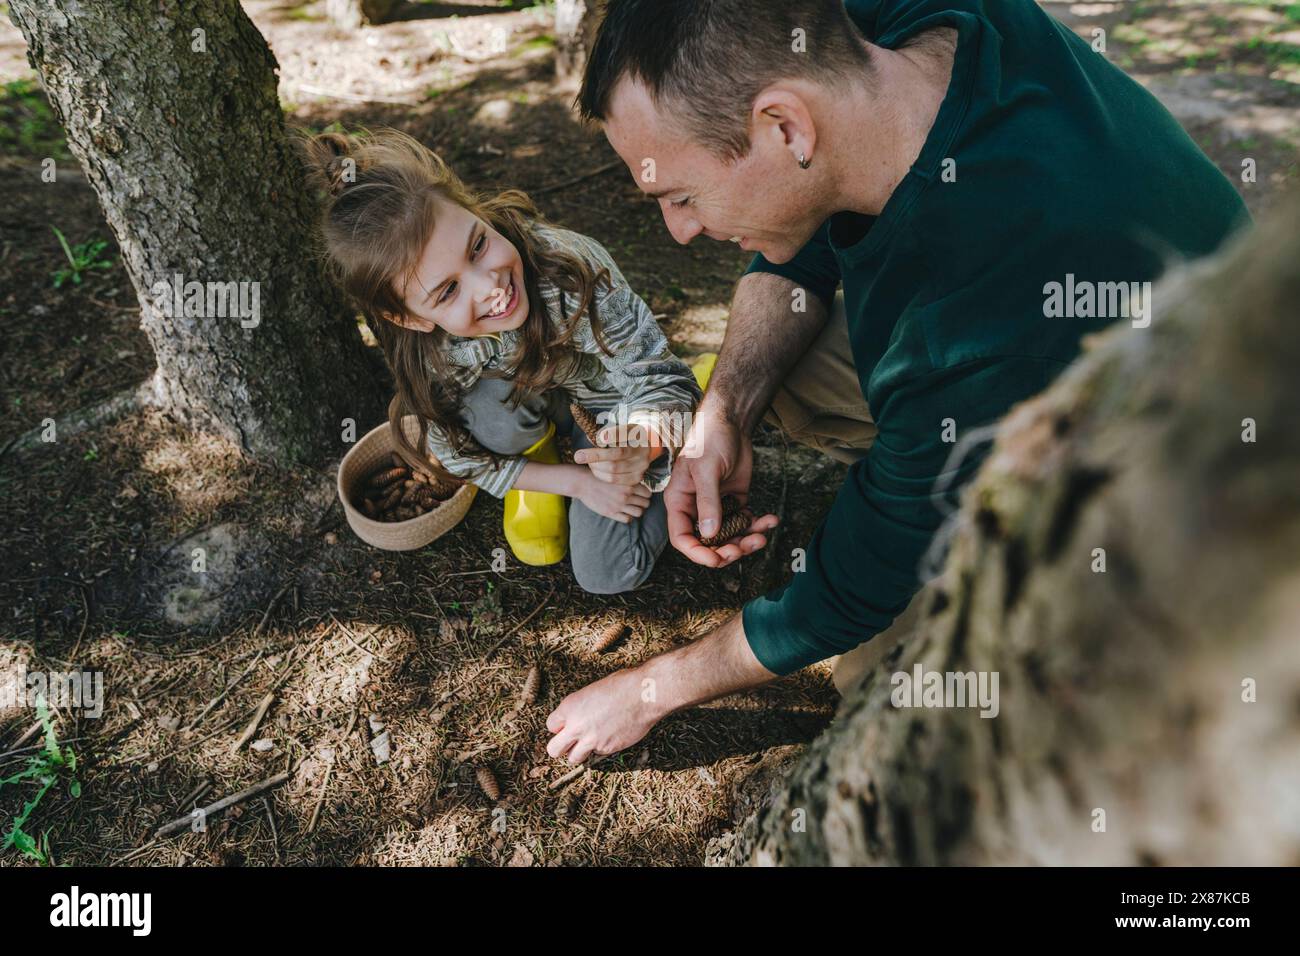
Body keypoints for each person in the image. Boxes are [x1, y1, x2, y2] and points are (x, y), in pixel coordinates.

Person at [544, 0, 1250, 764]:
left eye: (681, 197)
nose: (678, 230)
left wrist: (649, 689)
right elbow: (802, 238)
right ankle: (934, 489)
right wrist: (724, 414)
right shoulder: (860, 42)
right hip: (1086, 358)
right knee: (778, 363)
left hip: (1195, 478)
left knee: (880, 685)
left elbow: (844, 593)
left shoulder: (978, 320)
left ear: (785, 127)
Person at [301, 128, 702, 593]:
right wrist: (579, 484)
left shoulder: (569, 271)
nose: (490, 286)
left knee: (605, 573)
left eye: (478, 246)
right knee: (484, 413)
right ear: (408, 319)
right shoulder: (432, 355)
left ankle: (695, 414)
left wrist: (645, 441)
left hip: (620, 396)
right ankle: (544, 461)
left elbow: (655, 379)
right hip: (540, 401)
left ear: (474, 210)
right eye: (449, 290)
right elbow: (459, 454)